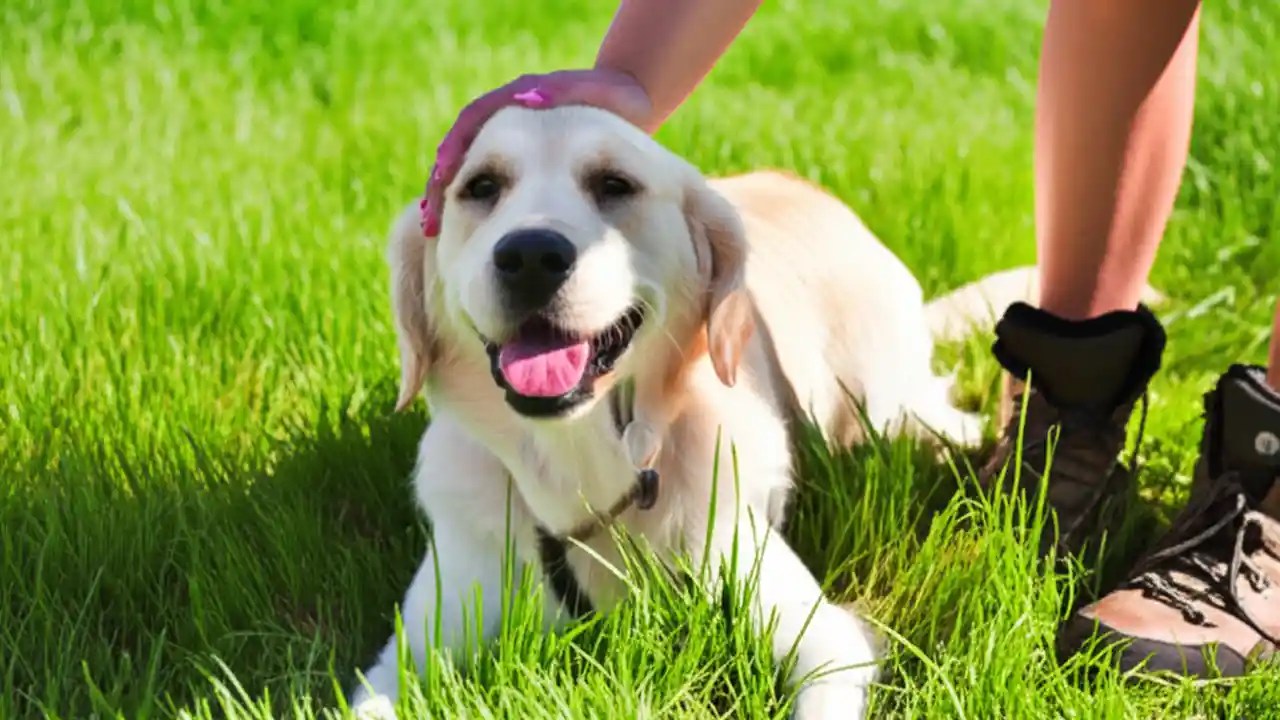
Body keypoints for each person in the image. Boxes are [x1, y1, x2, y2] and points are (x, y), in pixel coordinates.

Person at [419, 0, 1279, 677]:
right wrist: (633, 78)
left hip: (837, 304)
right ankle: (1070, 399)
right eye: (485, 190)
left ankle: (1272, 505)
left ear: (717, 281)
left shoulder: (709, 296)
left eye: (608, 185)